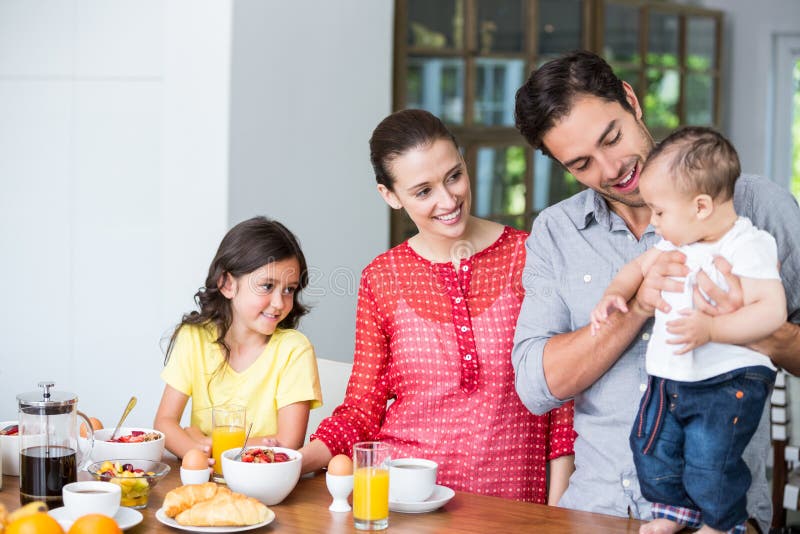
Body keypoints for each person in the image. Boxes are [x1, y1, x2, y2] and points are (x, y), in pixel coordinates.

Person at [512, 50, 800, 532]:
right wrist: (639, 304)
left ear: (631, 99)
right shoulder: (556, 232)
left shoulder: (755, 205)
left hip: (723, 517)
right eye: (582, 163)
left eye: (613, 137)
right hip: (595, 511)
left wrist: (748, 329)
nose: (611, 168)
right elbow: (537, 387)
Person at [298, 109, 576, 504]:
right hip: (402, 505)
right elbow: (362, 410)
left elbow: (561, 398)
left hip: (512, 508)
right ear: (390, 196)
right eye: (423, 191)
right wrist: (295, 462)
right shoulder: (381, 277)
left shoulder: (530, 255)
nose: (448, 200)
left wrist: (558, 514)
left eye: (454, 176)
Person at [589, 127, 785, 534]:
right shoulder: (678, 242)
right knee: (651, 448)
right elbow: (636, 269)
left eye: (659, 212)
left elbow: (772, 311)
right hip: (671, 376)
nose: (654, 224)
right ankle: (676, 513)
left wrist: (713, 328)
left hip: (728, 379)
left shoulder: (748, 245)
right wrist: (614, 294)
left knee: (711, 459)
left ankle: (721, 522)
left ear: (700, 206)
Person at [154, 216, 322, 462]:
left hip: (263, 483)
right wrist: (198, 456)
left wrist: (207, 443)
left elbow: (288, 443)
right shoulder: (194, 339)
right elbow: (165, 423)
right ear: (227, 284)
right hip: (205, 476)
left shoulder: (294, 350)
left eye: (289, 289)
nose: (279, 303)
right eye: (267, 286)